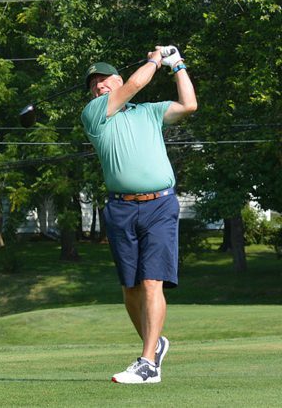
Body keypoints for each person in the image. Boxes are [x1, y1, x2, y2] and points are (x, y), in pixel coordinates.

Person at [82, 46, 197, 384]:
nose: (99, 87)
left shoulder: (149, 112)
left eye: (104, 81)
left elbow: (189, 105)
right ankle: (155, 343)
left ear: (116, 78)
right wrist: (153, 60)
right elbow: (133, 85)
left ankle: (148, 362)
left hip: (160, 205)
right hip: (120, 208)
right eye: (94, 85)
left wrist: (176, 64)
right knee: (129, 288)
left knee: (151, 282)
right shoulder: (95, 113)